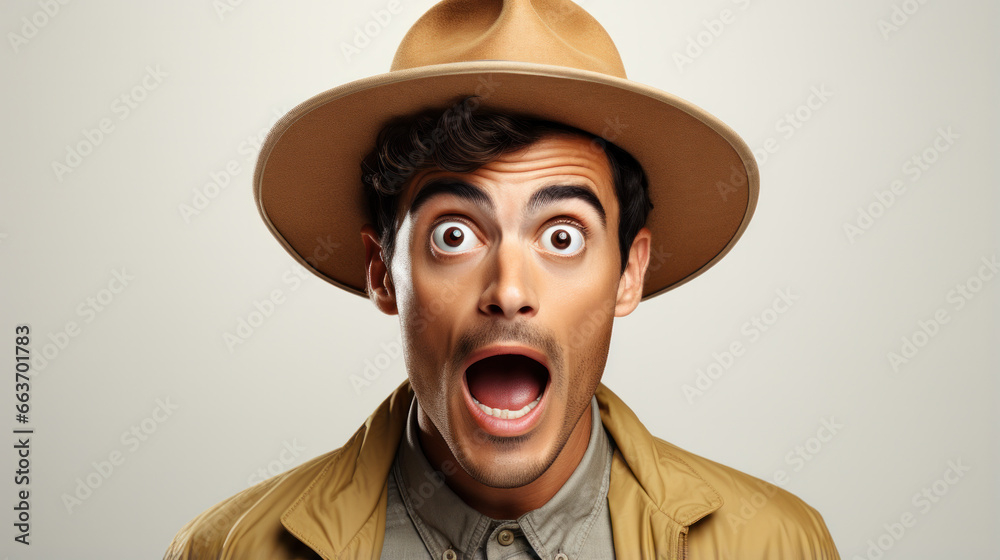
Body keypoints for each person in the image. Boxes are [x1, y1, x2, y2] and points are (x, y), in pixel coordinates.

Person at [165, 1, 840, 558]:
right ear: (383, 273)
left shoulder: (775, 544)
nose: (509, 289)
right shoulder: (228, 550)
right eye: (454, 236)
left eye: (562, 237)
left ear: (628, 274)